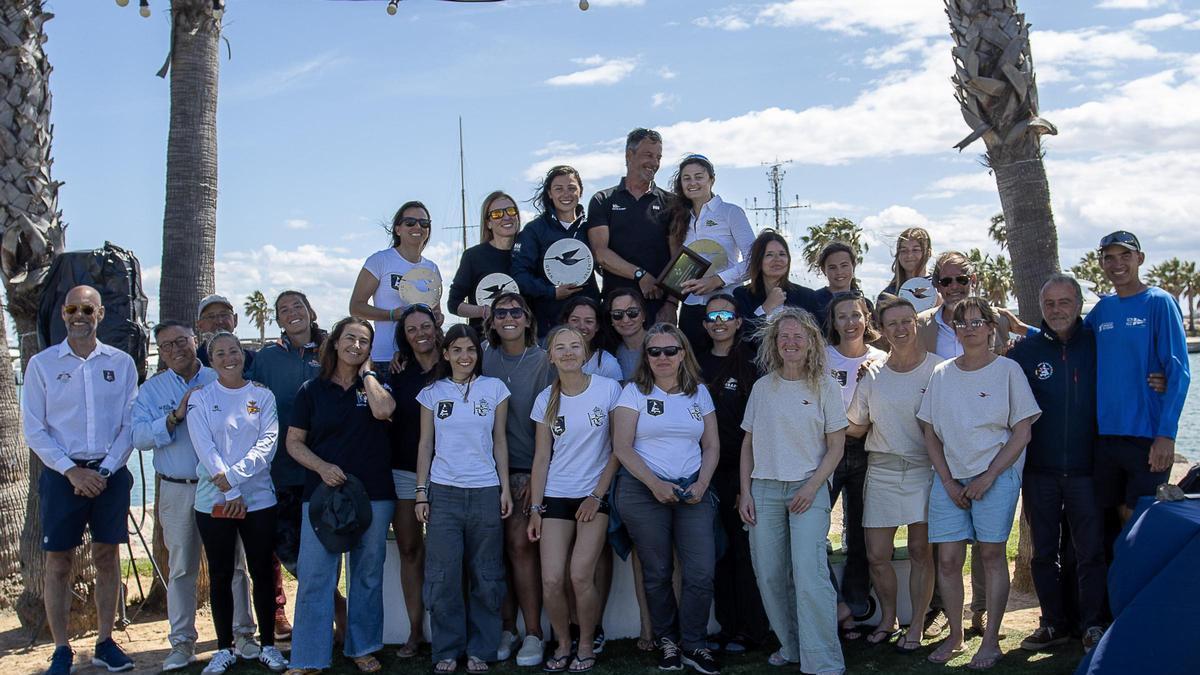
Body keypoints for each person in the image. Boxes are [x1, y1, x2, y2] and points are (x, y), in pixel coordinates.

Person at [917, 298, 1041, 669]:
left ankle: (990, 642)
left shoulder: (1008, 371)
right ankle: (956, 636)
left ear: (990, 327)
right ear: (955, 331)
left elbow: (1022, 432)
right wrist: (947, 480)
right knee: (948, 560)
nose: (969, 328)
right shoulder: (941, 374)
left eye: (977, 322)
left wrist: (989, 476)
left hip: (996, 477)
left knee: (990, 555)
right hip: (950, 480)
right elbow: (930, 432)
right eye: (962, 323)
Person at [24, 285, 138, 675]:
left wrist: (103, 471)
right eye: (72, 309)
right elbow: (34, 429)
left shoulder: (122, 363)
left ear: (100, 314)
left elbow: (129, 425)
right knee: (58, 562)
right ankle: (61, 649)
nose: (79, 316)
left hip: (109, 475)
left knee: (107, 556)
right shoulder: (41, 365)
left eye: (87, 309)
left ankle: (105, 642)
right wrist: (72, 471)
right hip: (62, 476)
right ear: (63, 314)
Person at [132, 321, 259, 671]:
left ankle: (244, 635)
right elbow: (139, 438)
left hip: (222, 488)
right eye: (166, 345)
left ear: (194, 341)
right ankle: (182, 643)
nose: (175, 349)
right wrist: (174, 417)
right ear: (160, 351)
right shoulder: (152, 390)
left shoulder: (219, 377)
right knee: (182, 568)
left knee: (235, 565)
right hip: (176, 488)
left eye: (180, 341)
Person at [737, 308, 846, 675]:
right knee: (769, 574)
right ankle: (792, 645)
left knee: (810, 574)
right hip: (764, 490)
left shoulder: (825, 386)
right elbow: (748, 445)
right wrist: (746, 492)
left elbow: (836, 447)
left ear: (811, 341)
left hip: (808, 489)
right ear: (774, 343)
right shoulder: (762, 387)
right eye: (784, 336)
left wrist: (813, 487)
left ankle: (824, 660)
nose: (791, 342)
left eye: (798, 336)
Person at [285, 318, 397, 674]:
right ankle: (308, 657)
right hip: (323, 496)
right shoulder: (311, 391)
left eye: (364, 341)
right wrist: (321, 467)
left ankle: (362, 647)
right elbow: (293, 442)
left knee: (366, 574)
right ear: (335, 342)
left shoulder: (377, 387)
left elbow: (384, 411)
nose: (356, 345)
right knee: (316, 577)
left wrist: (368, 374)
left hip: (374, 494)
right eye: (350, 338)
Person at [914, 250, 1017, 636]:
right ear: (936, 285)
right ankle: (947, 617)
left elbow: (1033, 338)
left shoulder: (997, 323)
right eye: (946, 280)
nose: (954, 286)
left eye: (961, 279)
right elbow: (898, 352)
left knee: (990, 549)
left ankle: (984, 614)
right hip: (946, 453)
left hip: (990, 456)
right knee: (948, 549)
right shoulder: (924, 326)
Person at [1007, 276, 1110, 653]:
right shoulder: (1024, 353)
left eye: (1064, 302)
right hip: (1040, 470)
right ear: (1041, 308)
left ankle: (1092, 623)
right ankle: (1053, 623)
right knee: (1044, 553)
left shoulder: (1098, 344)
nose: (1056, 310)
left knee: (1090, 552)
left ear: (1079, 304)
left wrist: (1158, 379)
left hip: (1087, 470)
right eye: (1049, 303)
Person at [612, 323, 721, 675]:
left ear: (682, 353)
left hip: (693, 490)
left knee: (701, 571)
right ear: (645, 356)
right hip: (643, 491)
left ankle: (695, 643)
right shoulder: (633, 392)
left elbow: (711, 445)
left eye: (670, 350)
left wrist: (703, 483)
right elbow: (622, 446)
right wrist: (654, 483)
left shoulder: (699, 393)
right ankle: (667, 641)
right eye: (654, 351)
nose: (662, 357)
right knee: (657, 572)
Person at [415, 324, 513, 674]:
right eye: (456, 349)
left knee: (486, 574)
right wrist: (421, 492)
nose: (464, 356)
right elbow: (426, 444)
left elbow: (499, 440)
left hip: (485, 490)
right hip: (443, 493)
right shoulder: (431, 393)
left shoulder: (494, 389)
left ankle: (481, 649)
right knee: (443, 575)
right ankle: (447, 648)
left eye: (470, 349)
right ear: (445, 353)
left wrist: (504, 488)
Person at [187, 332, 287, 674]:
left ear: (243, 355)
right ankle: (223, 648)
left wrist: (234, 479)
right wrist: (230, 492)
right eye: (220, 353)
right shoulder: (201, 399)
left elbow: (267, 444)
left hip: (258, 500)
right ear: (210, 360)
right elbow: (205, 447)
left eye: (234, 351)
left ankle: (268, 646)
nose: (228, 358)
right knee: (221, 574)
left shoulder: (262, 395)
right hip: (214, 501)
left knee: (262, 571)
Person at [845, 296, 939, 654]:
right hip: (881, 469)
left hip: (923, 469)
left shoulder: (939, 369)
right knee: (877, 555)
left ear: (916, 323)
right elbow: (856, 425)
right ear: (881, 330)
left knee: (920, 551)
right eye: (892, 324)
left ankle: (916, 624)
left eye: (906, 321)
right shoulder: (872, 372)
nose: (900, 329)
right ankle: (888, 619)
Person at [526, 326, 623, 673]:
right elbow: (542, 458)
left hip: (593, 496)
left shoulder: (607, 389)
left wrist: (597, 495)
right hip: (556, 495)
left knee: (580, 575)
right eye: (560, 348)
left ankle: (586, 643)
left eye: (574, 346)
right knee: (552, 579)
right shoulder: (545, 399)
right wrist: (535, 509)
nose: (568, 352)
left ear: (585, 353)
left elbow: (618, 449)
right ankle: (563, 644)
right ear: (551, 356)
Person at [1085, 230, 1190, 541]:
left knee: (1139, 523)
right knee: (1114, 524)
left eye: (1125, 255)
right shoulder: (1103, 308)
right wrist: (1024, 331)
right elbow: (1069, 341)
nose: (1117, 264)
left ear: (1139, 258)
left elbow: (1179, 372)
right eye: (1109, 258)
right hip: (1106, 437)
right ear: (1102, 263)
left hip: (1147, 437)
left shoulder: (1159, 302)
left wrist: (1166, 435)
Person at [246, 290, 328, 642]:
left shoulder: (329, 350)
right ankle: (332, 607)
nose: (292, 312)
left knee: (325, 550)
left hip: (325, 472)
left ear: (310, 310)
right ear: (277, 319)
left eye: (298, 306)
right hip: (280, 471)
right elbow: (247, 402)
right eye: (284, 309)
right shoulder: (266, 358)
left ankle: (329, 620)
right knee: (287, 550)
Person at [693, 294, 769, 654]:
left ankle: (753, 631)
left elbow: (760, 428)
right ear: (704, 325)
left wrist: (746, 484)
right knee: (718, 552)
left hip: (743, 470)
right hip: (705, 473)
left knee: (744, 553)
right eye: (712, 317)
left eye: (725, 315)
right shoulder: (695, 363)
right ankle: (727, 627)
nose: (718, 322)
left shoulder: (753, 363)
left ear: (739, 321)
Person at [482, 293, 555, 666]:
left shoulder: (544, 361)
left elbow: (556, 423)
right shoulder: (481, 356)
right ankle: (506, 629)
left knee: (519, 547)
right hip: (484, 472)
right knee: (493, 552)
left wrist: (537, 478)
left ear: (527, 319)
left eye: (515, 311)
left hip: (528, 469)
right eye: (500, 312)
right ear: (491, 320)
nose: (508, 317)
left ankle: (534, 633)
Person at [823, 292, 885, 639]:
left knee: (862, 535)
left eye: (856, 315)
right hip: (825, 450)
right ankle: (834, 606)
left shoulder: (882, 359)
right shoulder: (821, 357)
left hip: (867, 449)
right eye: (842, 316)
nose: (850, 322)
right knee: (814, 533)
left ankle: (852, 606)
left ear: (867, 319)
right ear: (833, 322)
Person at [385, 304, 443, 658]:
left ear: (437, 326)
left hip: (450, 473)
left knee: (449, 553)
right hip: (405, 470)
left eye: (425, 326)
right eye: (411, 329)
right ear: (404, 337)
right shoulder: (398, 372)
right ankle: (415, 631)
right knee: (409, 549)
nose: (420, 333)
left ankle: (453, 630)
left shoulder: (455, 363)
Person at [664, 154, 755, 348]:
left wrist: (717, 280)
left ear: (711, 180)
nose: (693, 183)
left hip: (727, 305)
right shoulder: (679, 218)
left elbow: (754, 261)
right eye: (686, 178)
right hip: (691, 307)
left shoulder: (731, 212)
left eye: (699, 177)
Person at [587, 128, 674, 323]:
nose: (655, 163)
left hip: (657, 311)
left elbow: (678, 259)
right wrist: (640, 275)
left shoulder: (671, 203)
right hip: (616, 312)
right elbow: (601, 254)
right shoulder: (603, 200)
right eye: (648, 155)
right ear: (629, 155)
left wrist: (671, 304)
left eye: (658, 157)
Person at [350, 200, 444, 368]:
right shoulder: (380, 261)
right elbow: (356, 307)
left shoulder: (432, 268)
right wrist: (392, 314)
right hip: (385, 358)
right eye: (410, 222)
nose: (418, 227)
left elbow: (435, 310)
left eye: (424, 223)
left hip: (422, 359)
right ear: (398, 229)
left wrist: (437, 317)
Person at [512, 165, 601, 338]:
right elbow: (519, 274)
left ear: (581, 192)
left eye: (571, 188)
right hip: (549, 327)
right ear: (550, 193)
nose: (566, 194)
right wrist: (551, 291)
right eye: (559, 189)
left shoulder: (591, 227)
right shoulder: (534, 230)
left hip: (588, 328)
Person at [449, 191, 522, 331]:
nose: (506, 217)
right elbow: (454, 304)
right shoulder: (473, 256)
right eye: (497, 214)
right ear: (488, 223)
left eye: (511, 211)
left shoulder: (529, 253)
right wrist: (484, 311)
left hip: (524, 339)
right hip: (486, 338)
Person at [731, 230, 819, 332]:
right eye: (769, 255)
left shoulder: (807, 296)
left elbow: (816, 334)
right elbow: (744, 335)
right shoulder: (742, 295)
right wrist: (766, 308)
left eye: (782, 254)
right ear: (758, 260)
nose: (777, 259)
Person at [560, 296, 622, 381]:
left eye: (589, 321)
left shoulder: (607, 364)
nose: (582, 326)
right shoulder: (555, 358)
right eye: (575, 320)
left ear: (597, 326)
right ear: (565, 322)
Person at [811, 242, 870, 329]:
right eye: (832, 267)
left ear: (853, 266)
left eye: (844, 266)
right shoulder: (813, 300)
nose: (839, 272)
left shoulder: (865, 303)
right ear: (824, 270)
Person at [197, 294, 256, 372]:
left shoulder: (255, 361)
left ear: (235, 320)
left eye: (224, 314)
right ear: (200, 325)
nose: (219, 321)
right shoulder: (193, 364)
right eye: (211, 316)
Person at [603, 287, 649, 380]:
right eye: (617, 314)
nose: (625, 320)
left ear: (643, 315)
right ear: (611, 320)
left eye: (632, 312)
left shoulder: (661, 344)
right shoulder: (611, 354)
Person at [878, 227, 934, 301]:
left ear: (928, 253)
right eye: (903, 250)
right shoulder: (888, 295)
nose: (909, 255)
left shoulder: (939, 287)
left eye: (915, 250)